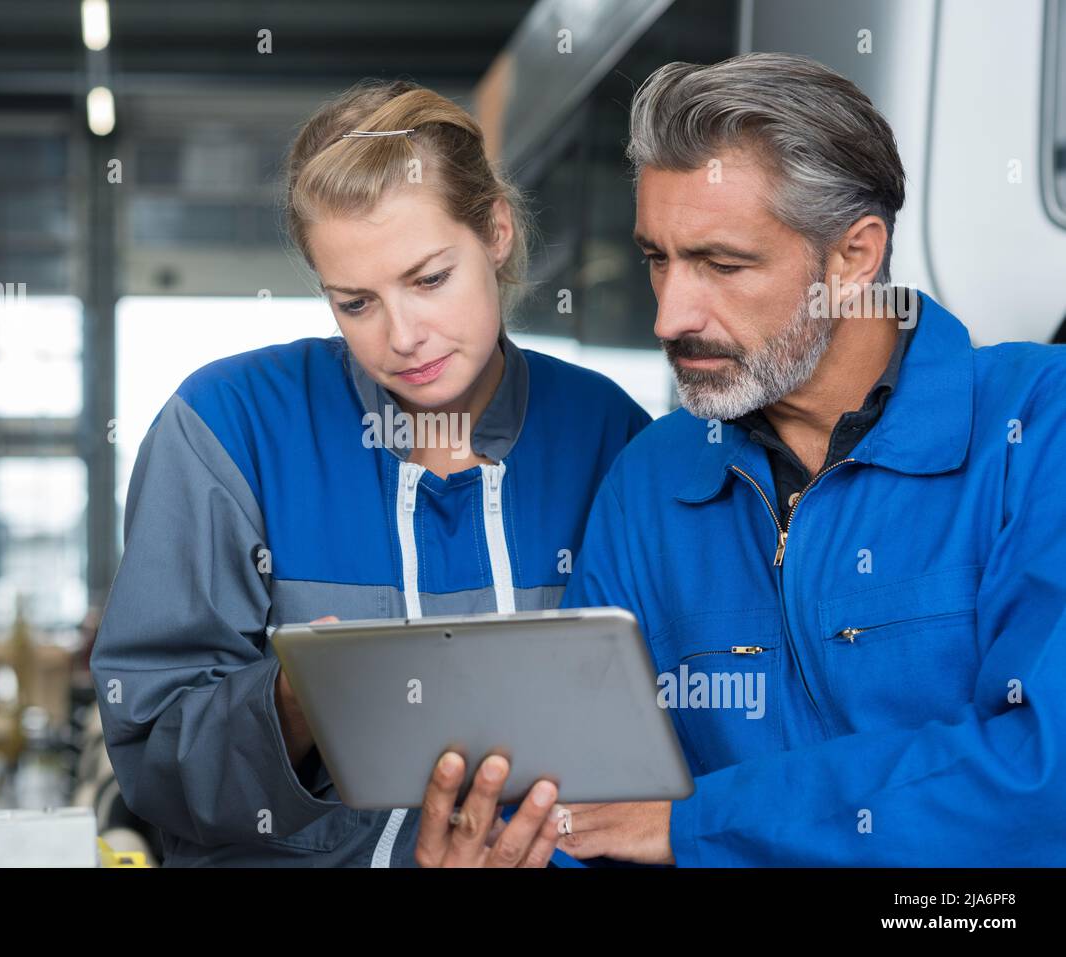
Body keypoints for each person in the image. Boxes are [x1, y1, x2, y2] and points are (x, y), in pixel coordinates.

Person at [417, 52, 1066, 867]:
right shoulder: (650, 480)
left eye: (722, 264)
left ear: (854, 258)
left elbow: (1042, 783)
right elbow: (592, 819)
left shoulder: (1041, 425)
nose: (670, 314)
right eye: (657, 257)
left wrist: (690, 825)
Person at [90, 79, 650, 867]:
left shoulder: (611, 435)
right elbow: (151, 754)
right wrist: (290, 705)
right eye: (355, 302)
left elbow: (665, 732)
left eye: (429, 279)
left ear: (494, 231)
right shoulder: (224, 428)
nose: (404, 335)